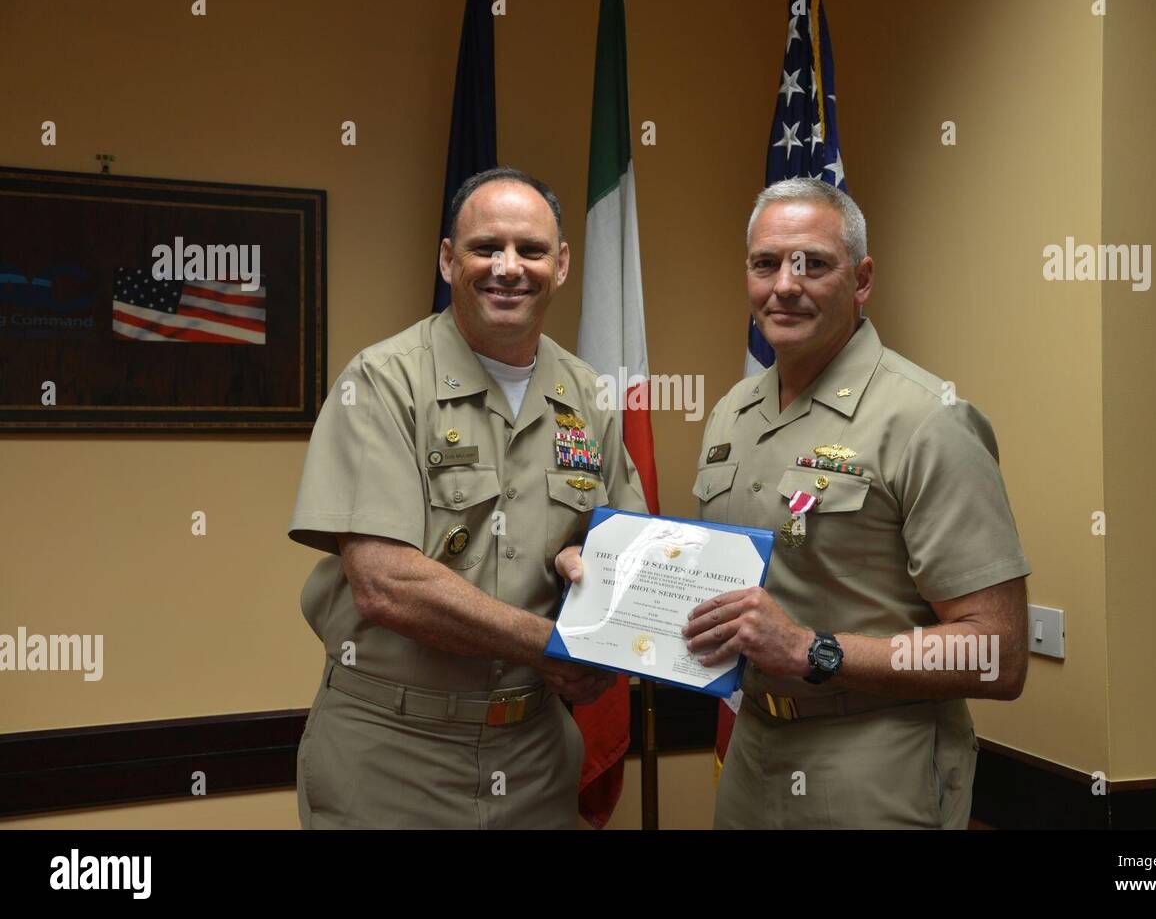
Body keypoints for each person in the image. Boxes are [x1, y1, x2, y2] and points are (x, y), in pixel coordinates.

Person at [289, 166, 645, 828]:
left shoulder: (587, 394)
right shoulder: (384, 380)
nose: (508, 268)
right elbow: (385, 581)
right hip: (395, 751)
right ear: (449, 260)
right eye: (486, 248)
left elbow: (628, 549)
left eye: (531, 250)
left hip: (536, 751)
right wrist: (554, 645)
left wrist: (583, 570)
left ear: (561, 265)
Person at [684, 176, 1030, 829]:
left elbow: (998, 653)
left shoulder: (928, 420)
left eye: (814, 264)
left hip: (875, 759)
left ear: (862, 280)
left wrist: (817, 651)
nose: (785, 285)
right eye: (766, 264)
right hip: (751, 748)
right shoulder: (734, 413)